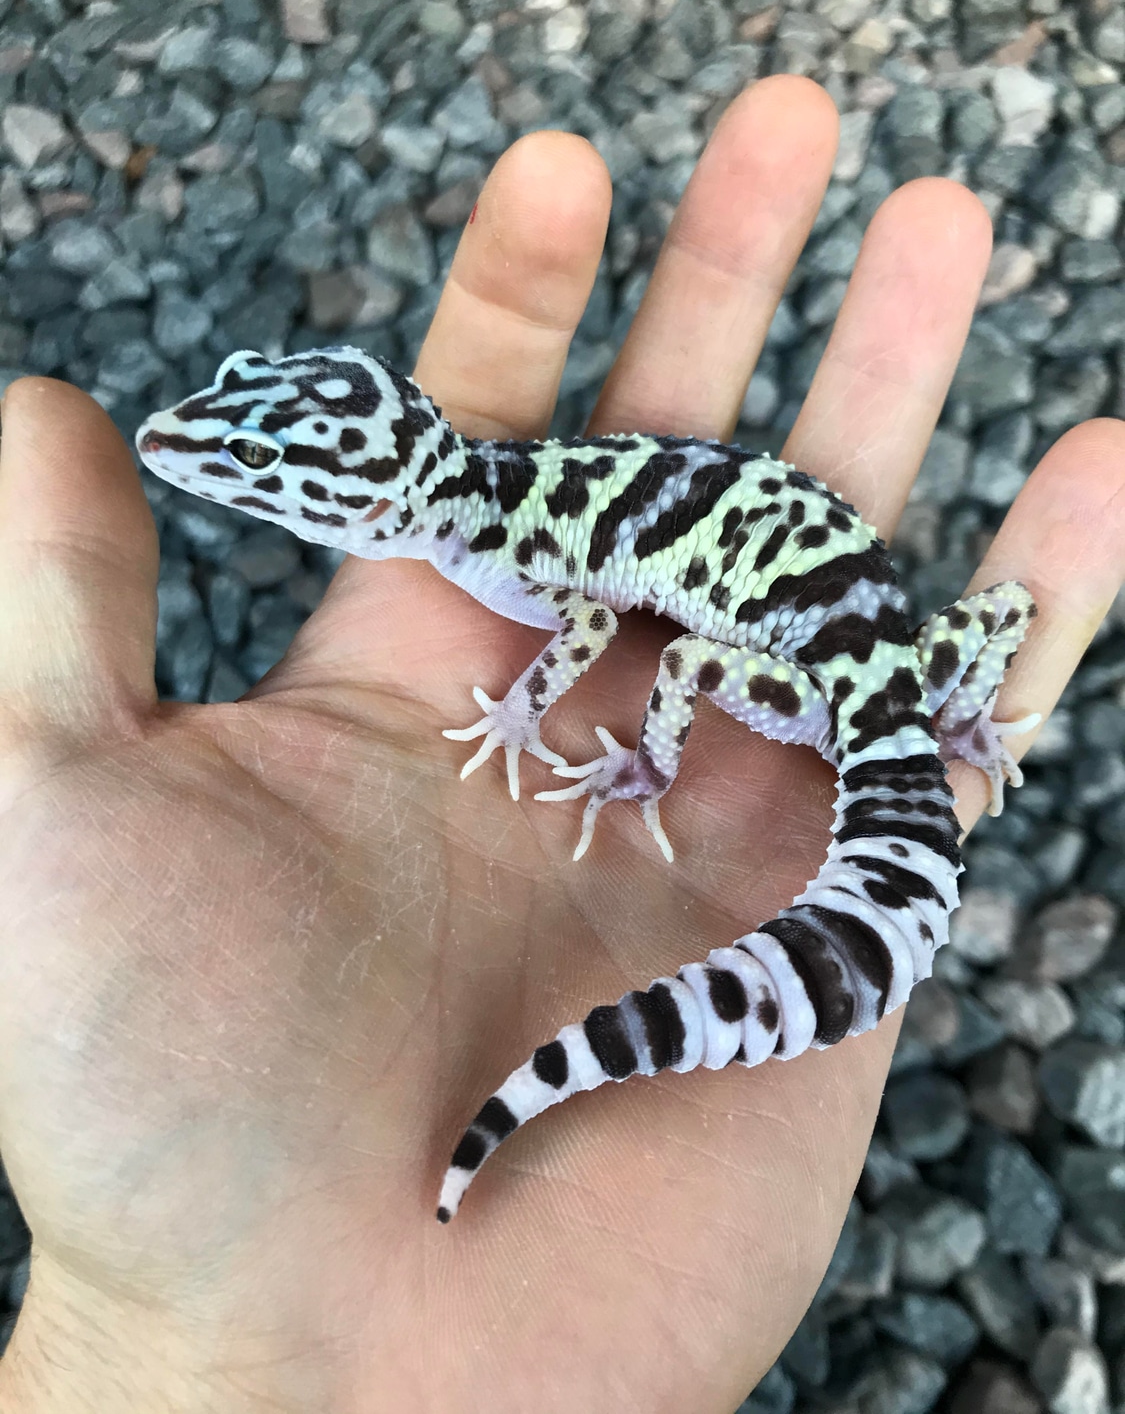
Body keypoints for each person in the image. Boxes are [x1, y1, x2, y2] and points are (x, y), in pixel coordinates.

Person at [0, 74, 1122, 1414]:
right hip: (896, 670)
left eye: (261, 474)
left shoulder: (496, 541)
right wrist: (945, 715)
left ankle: (690, 760)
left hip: (820, 688)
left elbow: (594, 621)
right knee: (983, 619)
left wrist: (569, 731)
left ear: (370, 502)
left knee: (691, 657)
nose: (210, 457)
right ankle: (955, 707)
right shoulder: (480, 502)